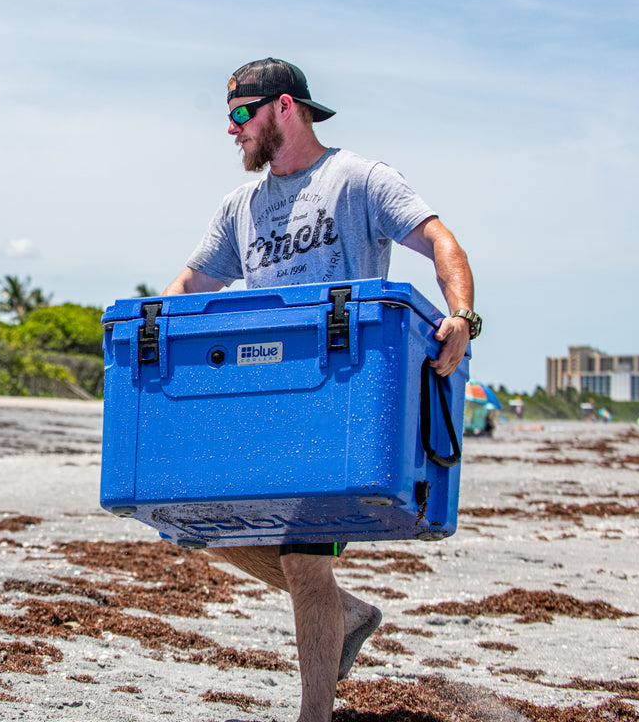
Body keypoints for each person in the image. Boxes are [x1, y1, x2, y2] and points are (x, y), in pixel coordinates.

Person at [162, 58, 478, 722]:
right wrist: (157, 328)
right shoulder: (240, 207)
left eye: (240, 115)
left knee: (305, 560)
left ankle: (314, 715)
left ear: (284, 108)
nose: (231, 130)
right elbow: (190, 285)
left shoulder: (358, 179)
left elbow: (439, 239)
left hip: (342, 396)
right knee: (207, 519)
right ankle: (352, 614)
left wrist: (462, 318)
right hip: (264, 397)